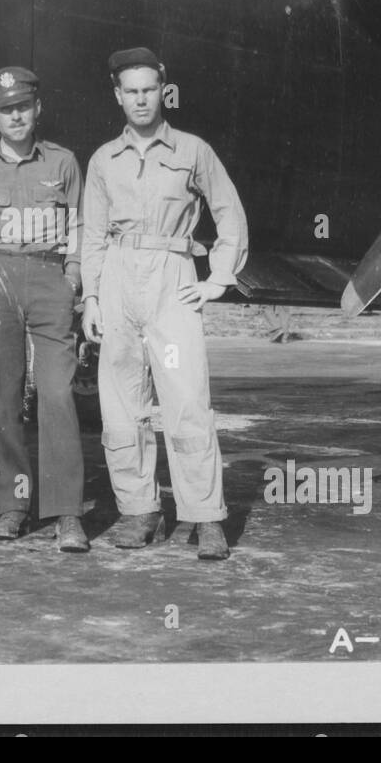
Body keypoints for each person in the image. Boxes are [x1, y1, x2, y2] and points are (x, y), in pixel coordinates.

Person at [80, 48, 249, 561]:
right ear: (118, 95)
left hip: (172, 279)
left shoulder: (193, 151)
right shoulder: (103, 160)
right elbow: (90, 235)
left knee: (187, 402)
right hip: (116, 278)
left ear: (163, 90)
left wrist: (219, 277)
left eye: (148, 89)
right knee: (121, 407)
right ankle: (139, 511)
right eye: (130, 91)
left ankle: (205, 516)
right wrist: (90, 297)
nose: (140, 99)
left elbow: (229, 212)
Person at [0, 67, 89, 552]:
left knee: (57, 394)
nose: (16, 116)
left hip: (49, 277)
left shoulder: (62, 163)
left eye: (24, 107)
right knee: (0, 398)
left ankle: (67, 514)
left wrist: (73, 276)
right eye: (6, 109)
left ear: (38, 109)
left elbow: (78, 226)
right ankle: (13, 506)